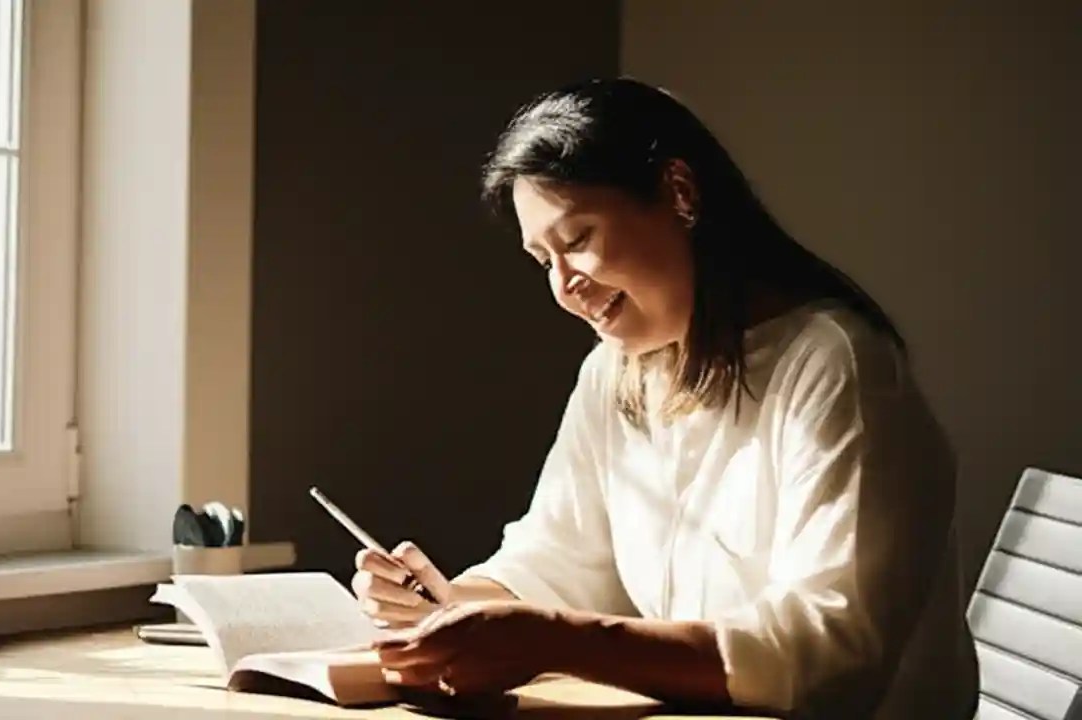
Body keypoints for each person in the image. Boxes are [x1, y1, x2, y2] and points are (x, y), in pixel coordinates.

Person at [352, 78, 978, 719]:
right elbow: (560, 557)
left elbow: (825, 656)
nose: (564, 287)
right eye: (543, 261)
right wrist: (450, 607)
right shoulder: (616, 372)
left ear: (680, 192)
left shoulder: (836, 364)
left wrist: (547, 639)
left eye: (577, 240)